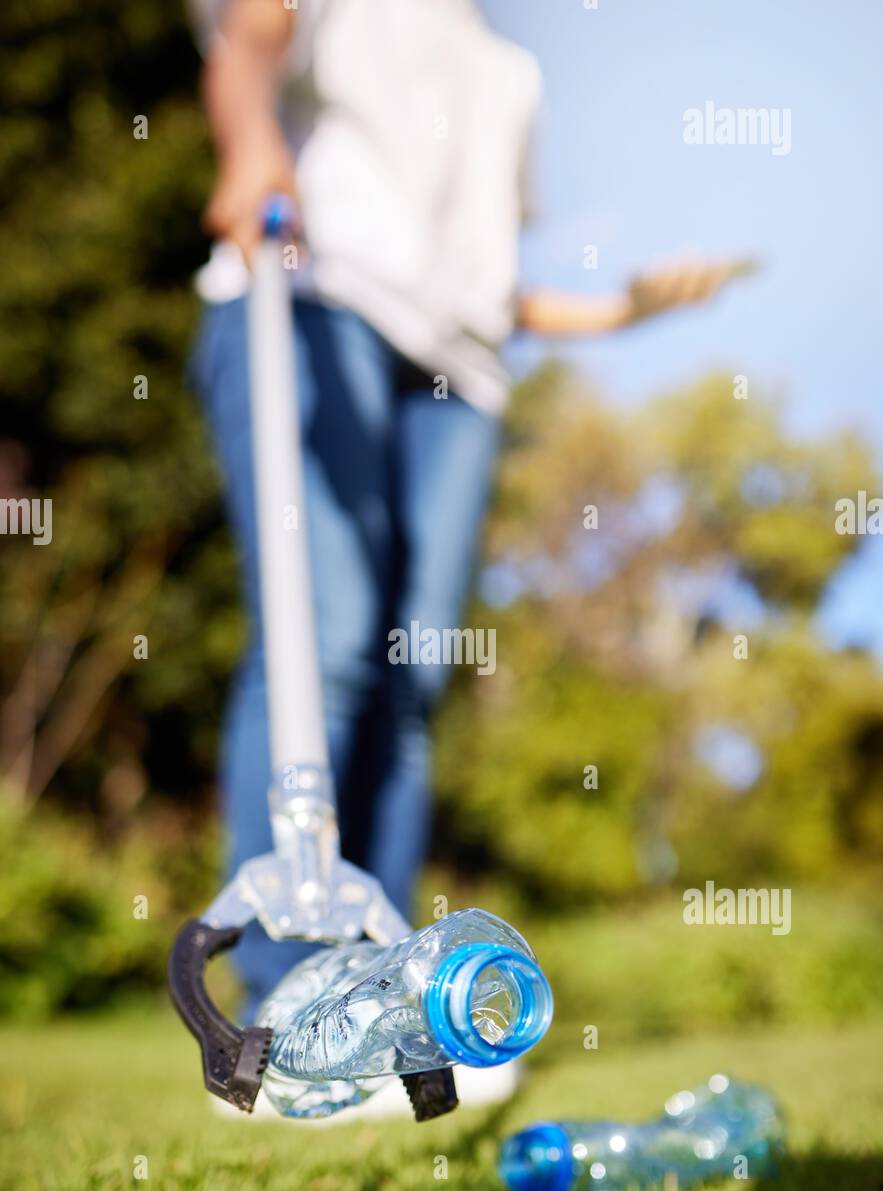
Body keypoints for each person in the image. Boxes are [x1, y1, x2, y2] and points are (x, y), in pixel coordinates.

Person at [188, 0, 740, 1023]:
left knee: (410, 677)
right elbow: (247, 39)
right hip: (314, 295)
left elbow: (483, 277)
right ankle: (277, 1002)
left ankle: (379, 1005)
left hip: (459, 372)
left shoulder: (508, 73)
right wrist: (251, 138)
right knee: (328, 638)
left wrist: (624, 309)